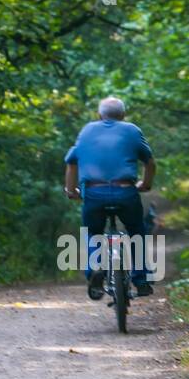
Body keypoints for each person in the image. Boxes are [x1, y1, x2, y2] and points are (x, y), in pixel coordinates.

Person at [63, 96, 157, 299]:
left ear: (99, 115)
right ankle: (141, 280)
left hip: (94, 194)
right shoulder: (132, 130)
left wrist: (72, 191)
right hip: (126, 192)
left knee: (93, 233)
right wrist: (145, 184)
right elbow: (149, 163)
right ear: (123, 116)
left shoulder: (87, 130)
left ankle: (95, 271)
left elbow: (71, 163)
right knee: (136, 231)